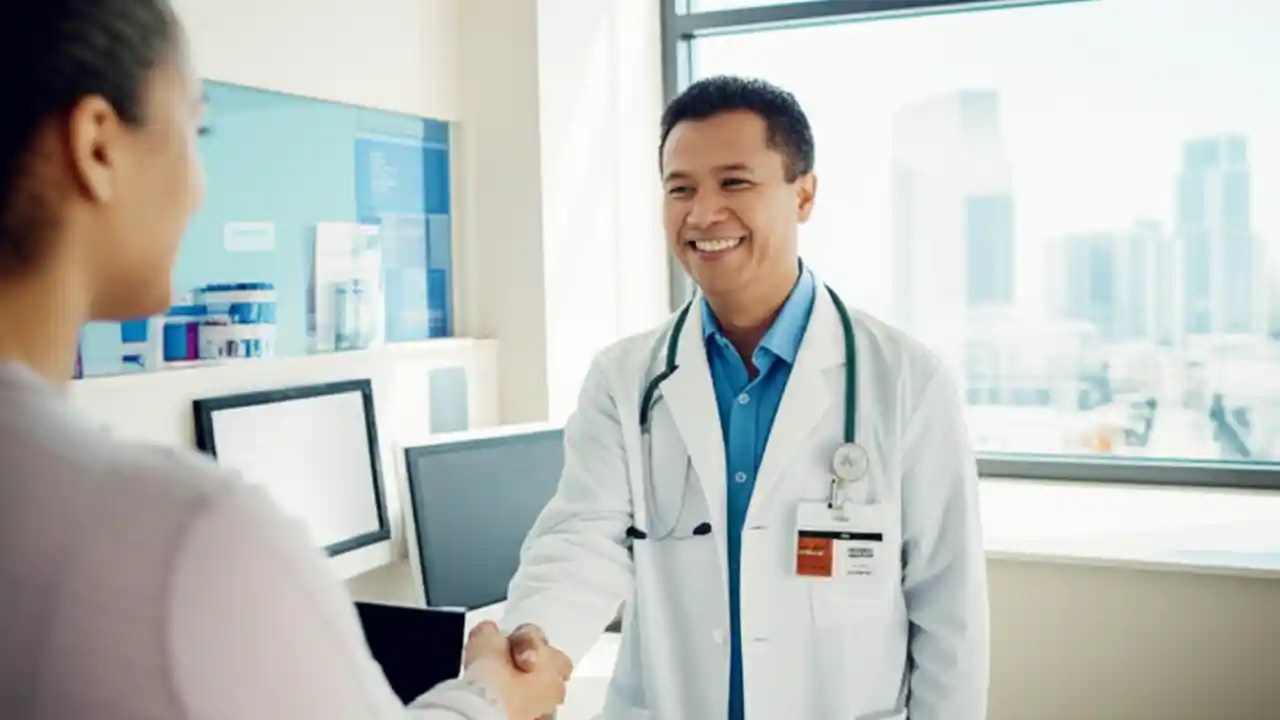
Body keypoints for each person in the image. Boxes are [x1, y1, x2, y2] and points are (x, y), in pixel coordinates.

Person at [0, 2, 569, 718]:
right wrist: (494, 694)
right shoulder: (182, 542)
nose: (201, 187)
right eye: (197, 132)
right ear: (98, 147)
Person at [501, 76, 989, 719]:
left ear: (803, 195)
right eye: (680, 188)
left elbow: (949, 609)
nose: (702, 213)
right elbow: (582, 539)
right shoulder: (625, 379)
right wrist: (537, 643)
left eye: (734, 182)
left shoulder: (905, 380)